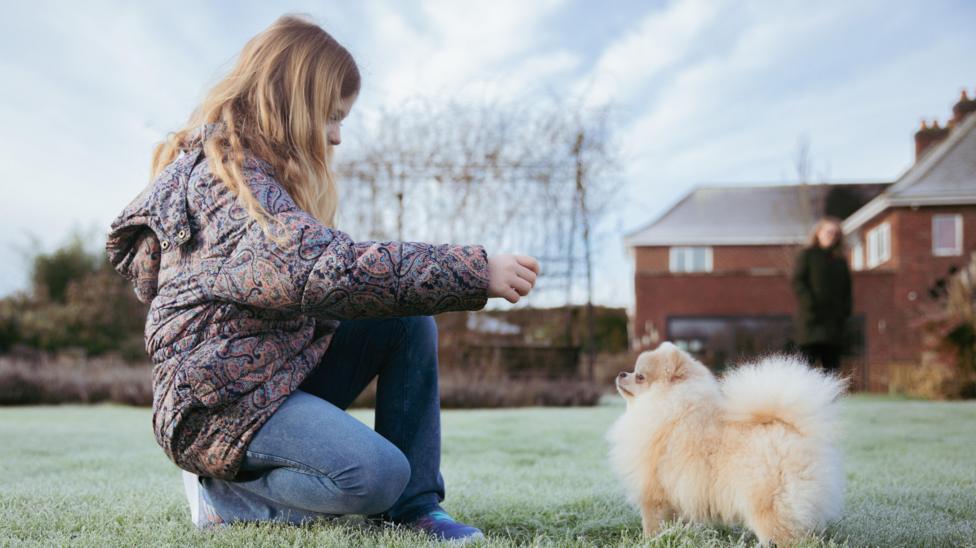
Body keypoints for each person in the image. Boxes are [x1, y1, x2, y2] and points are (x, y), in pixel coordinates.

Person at [105, 15, 539, 542]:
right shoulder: (222, 182)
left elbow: (326, 274)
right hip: (216, 406)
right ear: (292, 103)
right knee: (375, 474)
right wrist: (476, 271)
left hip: (272, 373)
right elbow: (321, 270)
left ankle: (415, 508)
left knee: (405, 320)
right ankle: (227, 496)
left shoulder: (260, 176)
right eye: (331, 116)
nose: (336, 135)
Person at [791, 217, 852, 373]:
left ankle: (829, 398)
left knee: (831, 370)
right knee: (805, 369)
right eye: (829, 232)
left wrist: (845, 311)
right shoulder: (807, 255)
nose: (832, 235)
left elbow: (847, 289)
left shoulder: (840, 261)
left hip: (833, 326)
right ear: (818, 233)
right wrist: (810, 304)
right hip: (811, 323)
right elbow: (798, 282)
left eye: (836, 233)